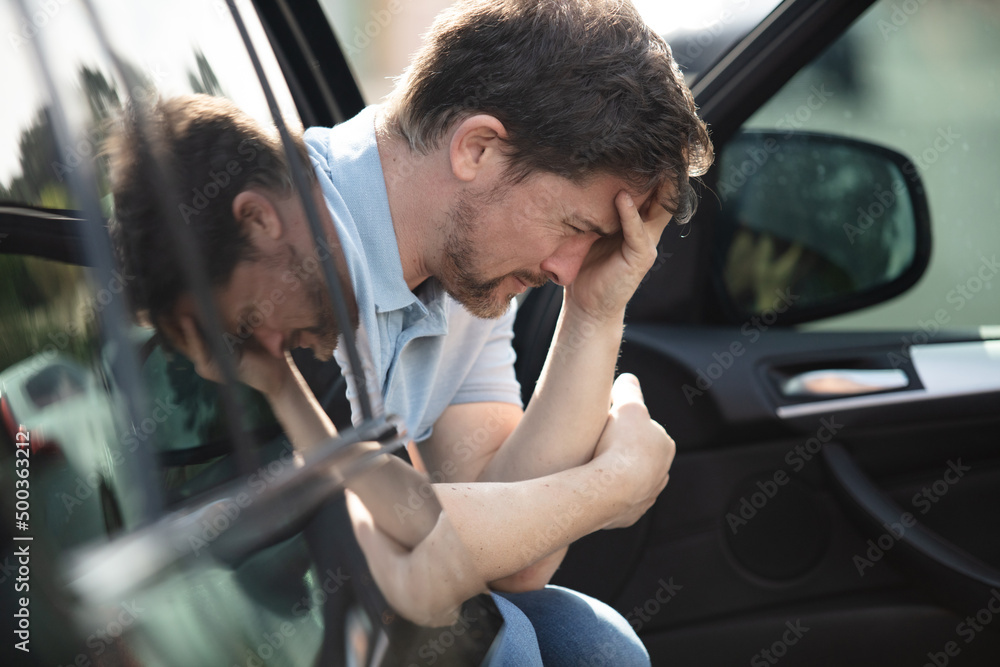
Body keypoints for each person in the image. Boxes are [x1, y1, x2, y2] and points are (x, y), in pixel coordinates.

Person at [108, 0, 712, 663]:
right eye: (575, 229)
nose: (567, 269)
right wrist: (613, 485)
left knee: (589, 638)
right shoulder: (276, 282)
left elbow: (516, 550)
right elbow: (402, 551)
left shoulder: (468, 277)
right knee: (510, 644)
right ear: (477, 149)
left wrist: (596, 309)